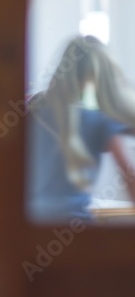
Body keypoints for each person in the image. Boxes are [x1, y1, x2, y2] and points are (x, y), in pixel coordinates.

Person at [26, 35, 135, 222]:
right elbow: (129, 178)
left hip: (31, 224)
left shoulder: (33, 113)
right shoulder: (99, 122)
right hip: (77, 231)